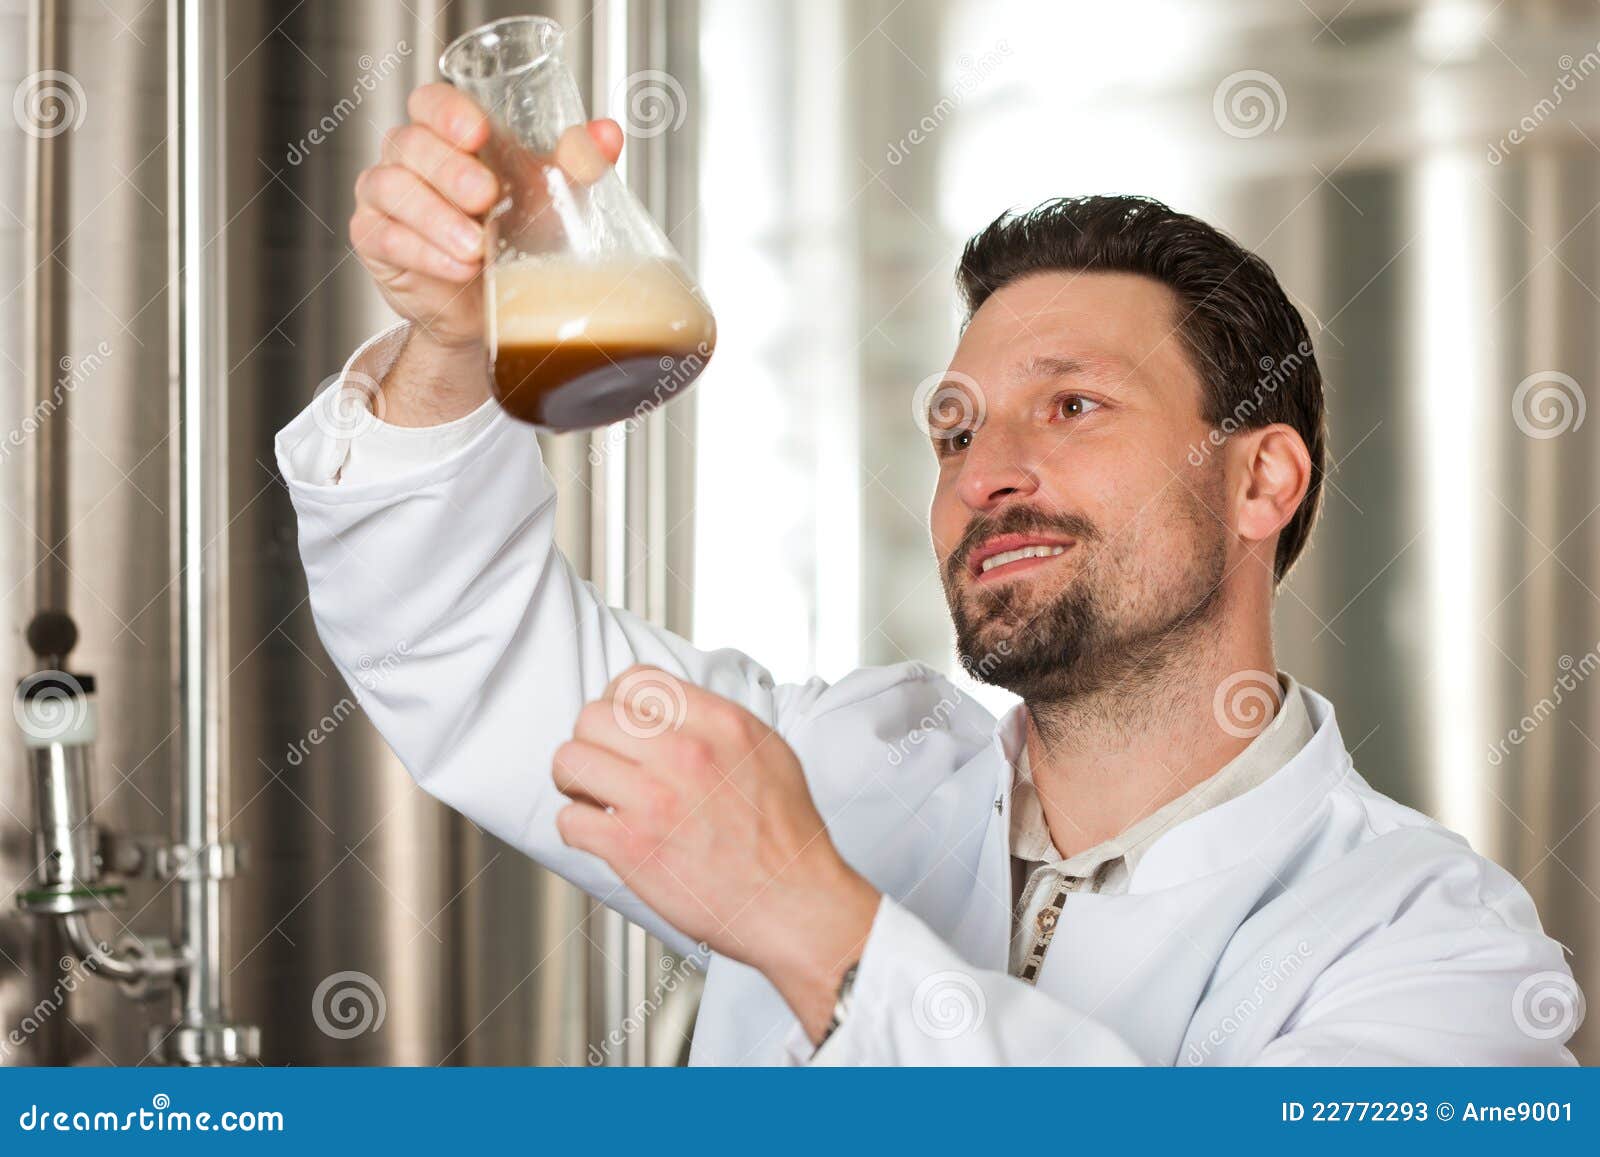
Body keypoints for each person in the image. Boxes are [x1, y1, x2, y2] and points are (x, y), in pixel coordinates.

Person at [276, 83, 1582, 1065]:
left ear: (1261, 480)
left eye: (1071, 406)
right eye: (954, 426)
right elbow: (466, 646)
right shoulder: (842, 768)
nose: (984, 470)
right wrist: (455, 344)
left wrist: (818, 928)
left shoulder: (1437, 949)